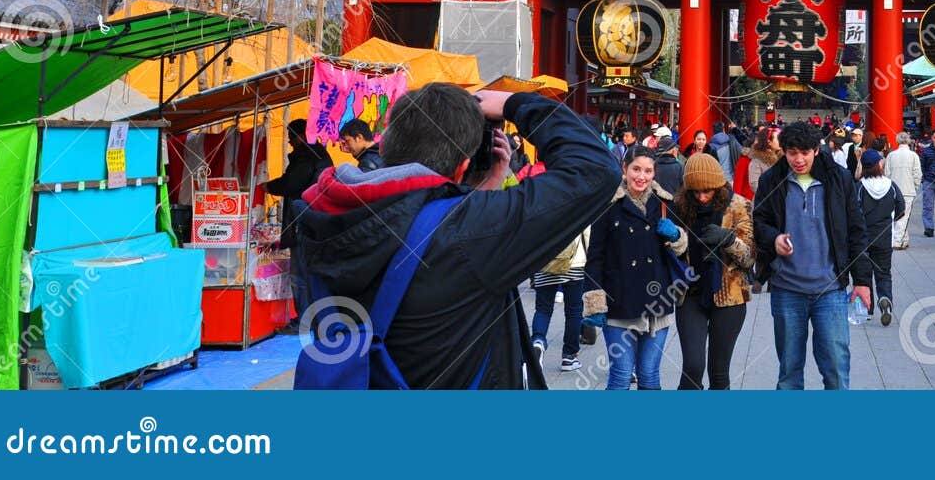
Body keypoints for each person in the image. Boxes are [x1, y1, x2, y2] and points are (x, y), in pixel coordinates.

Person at [295, 83, 620, 388]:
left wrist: (477, 194)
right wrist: (513, 103)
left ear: (389, 143)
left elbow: (411, 212)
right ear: (464, 164)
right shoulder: (467, 231)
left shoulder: (324, 210)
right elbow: (596, 170)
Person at [752, 119, 873, 389]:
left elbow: (856, 231)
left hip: (829, 290)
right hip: (787, 289)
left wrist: (863, 282)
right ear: (783, 151)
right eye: (792, 153)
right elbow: (758, 221)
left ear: (816, 150)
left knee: (836, 369)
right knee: (789, 372)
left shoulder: (838, 179)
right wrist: (774, 239)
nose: (798, 159)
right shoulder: (772, 180)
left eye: (805, 153)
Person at [583, 147, 691, 390]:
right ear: (625, 169)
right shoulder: (608, 205)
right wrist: (594, 301)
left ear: (654, 173)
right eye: (636, 169)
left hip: (657, 303)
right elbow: (595, 257)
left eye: (648, 171)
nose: (641, 176)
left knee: (650, 375)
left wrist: (676, 236)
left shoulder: (664, 203)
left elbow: (683, 250)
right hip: (619, 302)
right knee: (621, 376)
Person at [669, 153, 754, 389]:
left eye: (707, 191)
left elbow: (749, 258)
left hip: (729, 297)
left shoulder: (739, 206)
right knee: (693, 367)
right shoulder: (679, 206)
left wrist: (728, 240)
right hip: (690, 293)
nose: (702, 197)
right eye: (695, 192)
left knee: (719, 371)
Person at [266, 119, 334, 252]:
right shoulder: (318, 152)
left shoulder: (307, 156)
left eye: (291, 137)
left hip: (305, 217)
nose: (289, 142)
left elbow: (291, 182)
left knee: (302, 254)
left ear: (302, 136)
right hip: (316, 215)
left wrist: (269, 187)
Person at [856, 149, 904, 325]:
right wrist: (890, 220)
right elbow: (901, 207)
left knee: (865, 274)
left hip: (864, 238)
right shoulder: (891, 185)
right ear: (878, 165)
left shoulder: (860, 187)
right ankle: (886, 299)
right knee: (884, 273)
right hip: (884, 237)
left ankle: (868, 309)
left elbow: (854, 212)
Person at [532, 228, 591, 371]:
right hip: (575, 262)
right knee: (574, 311)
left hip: (544, 263)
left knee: (542, 309)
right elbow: (587, 233)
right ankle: (569, 356)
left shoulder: (537, 204)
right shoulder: (578, 205)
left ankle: (538, 341)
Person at [885, 132, 924, 250]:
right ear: (908, 141)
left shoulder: (891, 155)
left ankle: (904, 239)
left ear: (897, 141)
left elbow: (887, 173)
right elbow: (917, 174)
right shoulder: (913, 155)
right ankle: (897, 241)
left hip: (893, 189)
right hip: (908, 189)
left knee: (896, 215)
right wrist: (915, 187)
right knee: (904, 216)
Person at [735, 124, 780, 202]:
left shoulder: (779, 157)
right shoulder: (748, 159)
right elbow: (739, 183)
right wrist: (737, 201)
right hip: (751, 200)